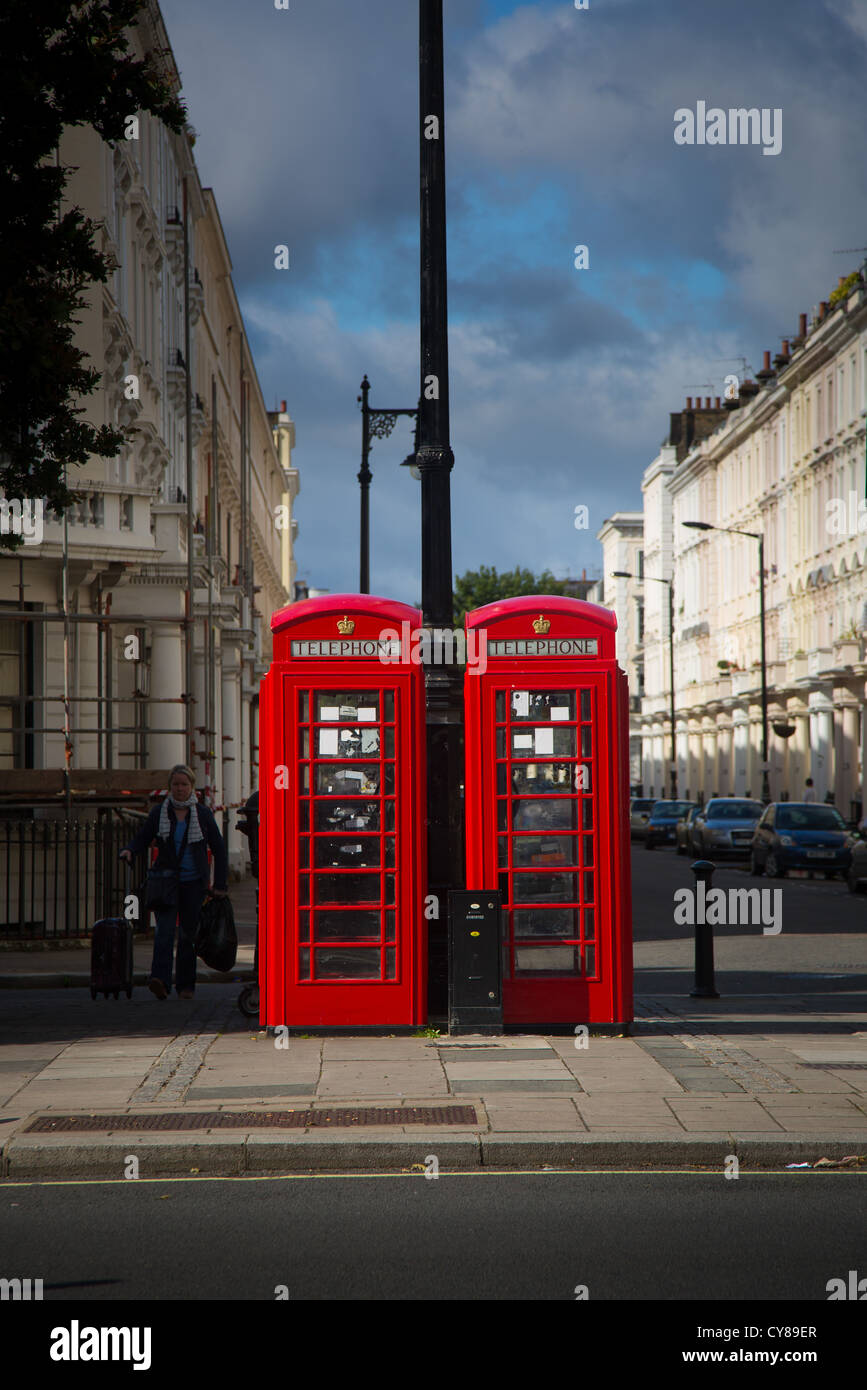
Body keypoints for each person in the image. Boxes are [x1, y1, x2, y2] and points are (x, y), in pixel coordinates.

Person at [120, 764, 228, 1000]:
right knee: (164, 932)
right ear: (170, 787)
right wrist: (130, 850)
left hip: (194, 884)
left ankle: (185, 986)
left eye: (184, 784)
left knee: (188, 936)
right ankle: (160, 980)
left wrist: (220, 885)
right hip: (166, 882)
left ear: (192, 787)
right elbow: (143, 837)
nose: (179, 789)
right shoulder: (160, 813)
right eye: (176, 785)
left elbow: (220, 849)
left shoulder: (202, 814)